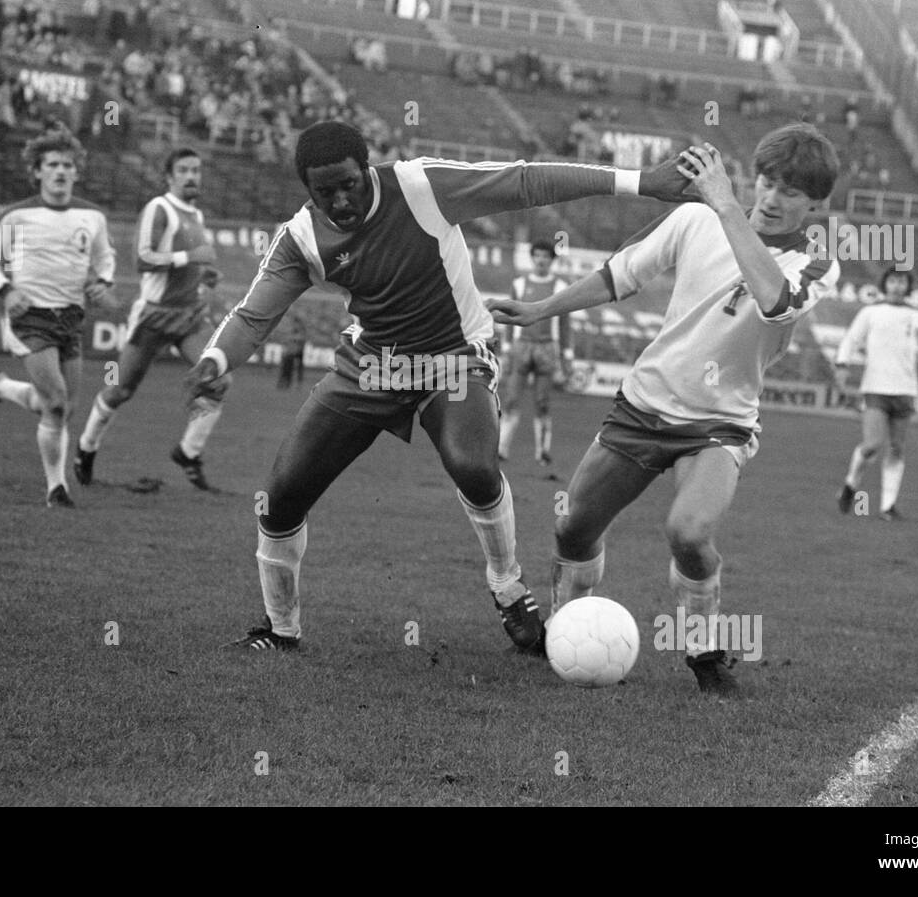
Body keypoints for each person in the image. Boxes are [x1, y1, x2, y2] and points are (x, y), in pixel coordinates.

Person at [184, 120, 695, 652]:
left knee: (474, 465)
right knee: (281, 497)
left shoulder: (420, 187)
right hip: (371, 368)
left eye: (349, 184)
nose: (340, 200)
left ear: (368, 168)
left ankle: (506, 583)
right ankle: (280, 629)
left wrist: (642, 182)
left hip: (452, 360)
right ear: (308, 191)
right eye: (324, 191)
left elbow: (526, 182)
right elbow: (253, 314)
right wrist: (215, 361)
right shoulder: (303, 238)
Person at [489, 124, 842, 695]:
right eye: (768, 183)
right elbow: (619, 275)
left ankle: (703, 650)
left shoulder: (817, 263)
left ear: (817, 205)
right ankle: (566, 628)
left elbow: (776, 304)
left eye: (792, 192)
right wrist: (539, 310)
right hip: (644, 405)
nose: (773, 199)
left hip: (718, 425)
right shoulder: (692, 220)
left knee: (689, 530)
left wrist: (727, 206)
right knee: (573, 528)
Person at [0, 122, 118, 508]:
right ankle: (56, 488)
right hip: (29, 317)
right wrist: (6, 290)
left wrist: (103, 281)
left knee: (64, 405)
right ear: (37, 171)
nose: (61, 171)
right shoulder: (16, 215)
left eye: (68, 164)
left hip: (71, 318)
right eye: (52, 164)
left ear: (77, 171)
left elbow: (105, 257)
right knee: (56, 403)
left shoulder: (93, 216)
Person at [73, 148, 225, 491]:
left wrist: (204, 275)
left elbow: (188, 265)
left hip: (190, 315)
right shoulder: (160, 208)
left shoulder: (196, 215)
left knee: (218, 378)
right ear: (169, 176)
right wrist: (192, 257)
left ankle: (188, 452)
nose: (191, 176)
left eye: (196, 170)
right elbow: (143, 258)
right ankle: (86, 448)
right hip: (155, 316)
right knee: (122, 390)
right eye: (184, 170)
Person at [835, 267, 918, 521]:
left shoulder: (916, 316)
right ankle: (851, 483)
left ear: (908, 286)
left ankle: (887, 506)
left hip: (906, 389)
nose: (897, 286)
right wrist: (842, 364)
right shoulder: (870, 312)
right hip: (876, 387)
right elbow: (851, 339)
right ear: (885, 284)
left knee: (896, 448)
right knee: (873, 444)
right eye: (893, 281)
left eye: (902, 281)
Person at [498, 239, 571, 470]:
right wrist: (507, 349)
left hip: (546, 349)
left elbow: (565, 323)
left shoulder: (560, 287)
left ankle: (543, 452)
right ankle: (501, 449)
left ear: (552, 260)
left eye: (546, 257)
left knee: (542, 402)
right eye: (537, 255)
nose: (541, 260)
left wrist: (567, 356)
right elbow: (509, 318)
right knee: (510, 398)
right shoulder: (519, 284)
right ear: (532, 258)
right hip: (522, 347)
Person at [277, 311, 308, 389]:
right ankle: (284, 382)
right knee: (287, 367)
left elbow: (302, 339)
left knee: (297, 368)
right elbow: (285, 340)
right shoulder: (292, 330)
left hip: (298, 351)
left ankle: (296, 383)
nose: (296, 324)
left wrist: (294, 339)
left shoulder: (301, 330)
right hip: (290, 351)